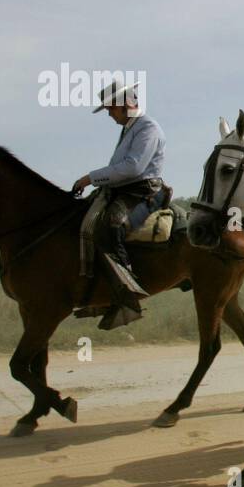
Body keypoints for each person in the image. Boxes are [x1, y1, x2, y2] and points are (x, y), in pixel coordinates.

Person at [71, 79, 166, 330]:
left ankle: (128, 295)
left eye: (111, 109)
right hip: (121, 190)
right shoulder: (130, 128)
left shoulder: (148, 128)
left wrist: (90, 178)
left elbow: (133, 167)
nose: (110, 114)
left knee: (112, 225)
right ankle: (101, 293)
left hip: (142, 192)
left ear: (126, 105)